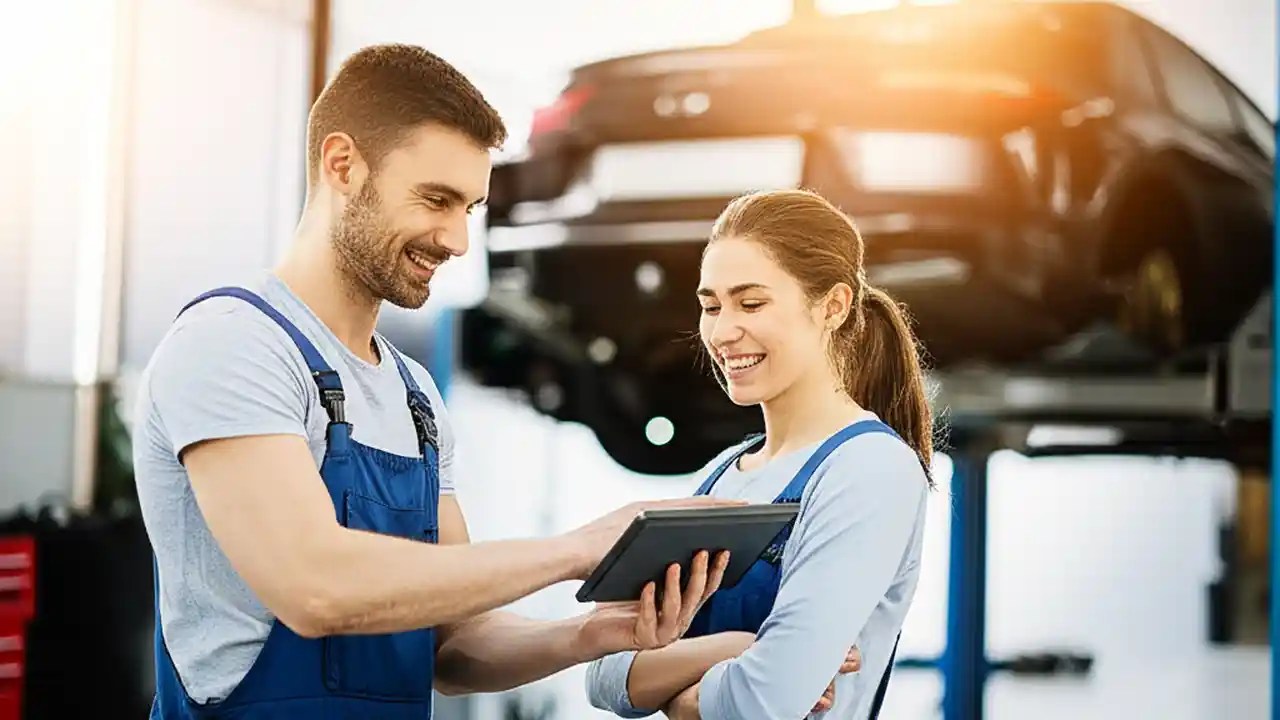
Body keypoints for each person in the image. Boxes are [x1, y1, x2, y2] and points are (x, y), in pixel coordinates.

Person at [132, 44, 736, 720]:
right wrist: (577, 551)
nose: (457, 241)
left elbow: (455, 646)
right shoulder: (235, 343)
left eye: (470, 208)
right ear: (343, 166)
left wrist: (592, 635)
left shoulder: (415, 396)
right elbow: (314, 587)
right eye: (435, 199)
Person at [585, 188, 935, 720]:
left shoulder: (870, 470)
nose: (723, 331)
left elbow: (761, 702)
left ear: (833, 306)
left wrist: (672, 691)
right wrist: (737, 651)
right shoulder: (721, 474)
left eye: (751, 303)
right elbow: (604, 678)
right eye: (710, 306)